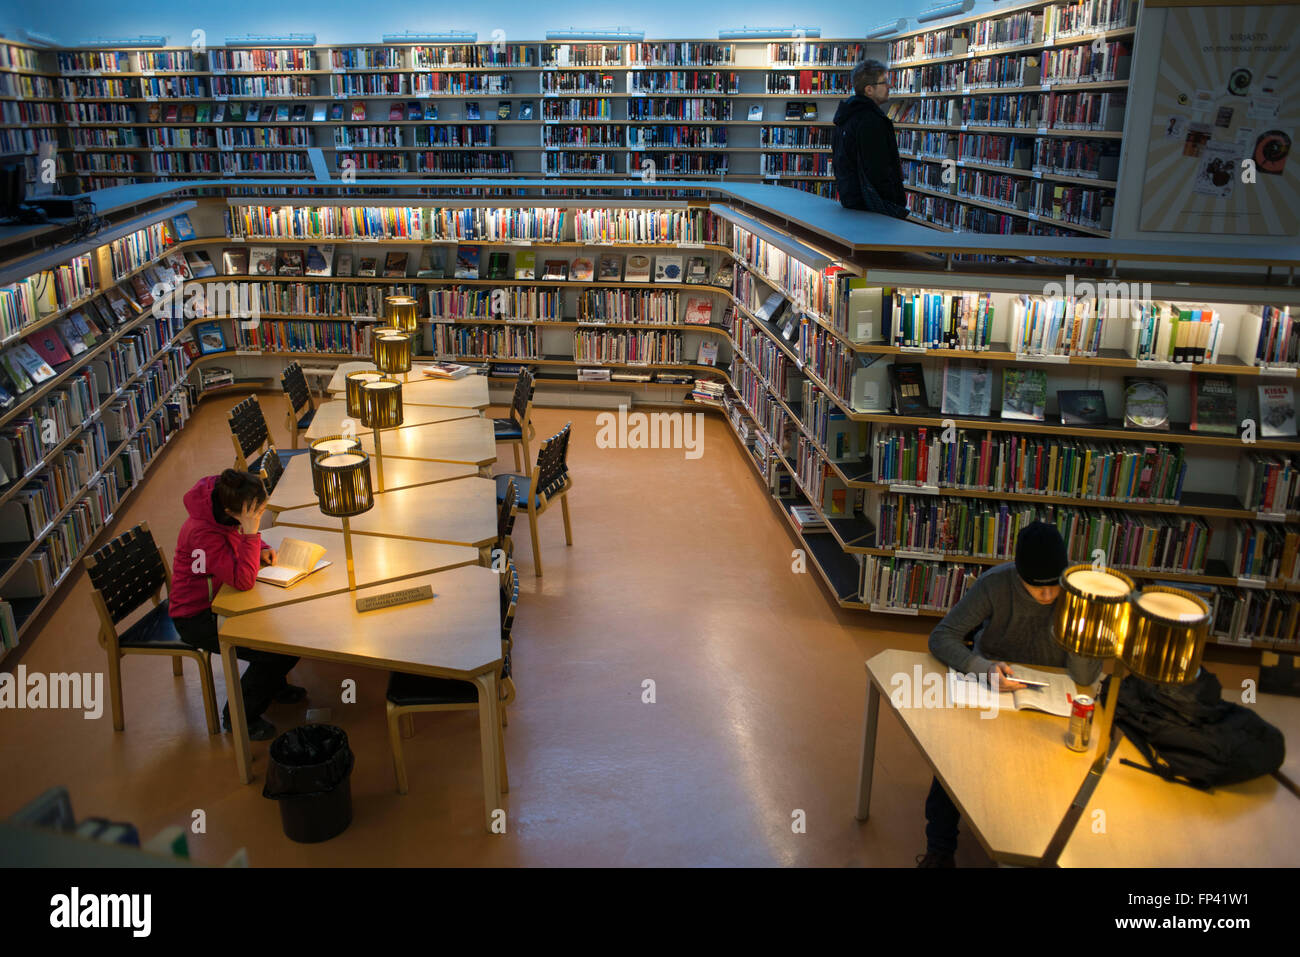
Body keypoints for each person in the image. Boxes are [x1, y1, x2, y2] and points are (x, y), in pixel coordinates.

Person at [917, 521, 1102, 867]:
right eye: (1037, 587)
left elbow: (1085, 676)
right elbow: (942, 637)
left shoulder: (1078, 593)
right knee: (953, 760)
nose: (1047, 596)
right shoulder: (995, 584)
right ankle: (940, 851)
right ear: (1019, 575)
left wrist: (1079, 616)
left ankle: (1023, 844)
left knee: (1049, 769)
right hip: (992, 690)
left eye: (1054, 587)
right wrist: (983, 669)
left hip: (1049, 696)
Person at [169, 469, 303, 741]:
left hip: (224, 597)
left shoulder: (224, 502)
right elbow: (242, 580)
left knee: (286, 634)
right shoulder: (201, 533)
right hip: (197, 616)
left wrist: (260, 543)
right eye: (254, 515)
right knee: (278, 651)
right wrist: (253, 535)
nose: (256, 519)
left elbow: (238, 533)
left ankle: (272, 686)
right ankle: (239, 716)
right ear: (231, 512)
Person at [832, 59, 910, 219]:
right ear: (869, 90)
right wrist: (895, 201)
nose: (889, 86)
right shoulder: (871, 121)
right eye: (884, 82)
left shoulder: (845, 116)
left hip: (852, 201)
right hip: (875, 207)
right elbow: (878, 168)